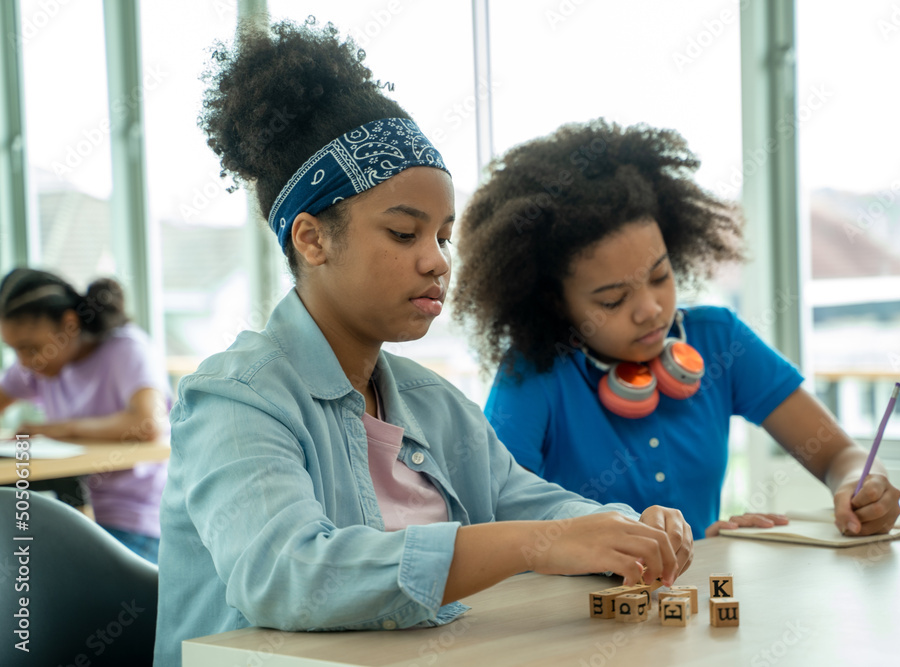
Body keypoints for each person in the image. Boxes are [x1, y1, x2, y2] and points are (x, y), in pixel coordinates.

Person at [153, 21, 692, 667]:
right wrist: (538, 544)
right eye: (405, 234)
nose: (437, 262)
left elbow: (535, 506)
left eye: (443, 235)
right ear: (312, 239)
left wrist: (626, 528)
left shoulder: (431, 402)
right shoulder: (235, 401)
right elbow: (287, 577)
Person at [451, 119, 900, 541]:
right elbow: (493, 526)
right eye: (613, 299)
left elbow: (839, 456)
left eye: (660, 276)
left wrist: (862, 484)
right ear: (553, 302)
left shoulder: (719, 339)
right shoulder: (534, 374)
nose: (650, 310)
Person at [0, 268, 170, 562]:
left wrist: (52, 429)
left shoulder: (126, 349)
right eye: (16, 351)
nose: (25, 362)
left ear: (68, 324)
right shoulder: (38, 364)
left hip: (136, 520)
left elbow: (148, 423)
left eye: (31, 348)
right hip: (72, 516)